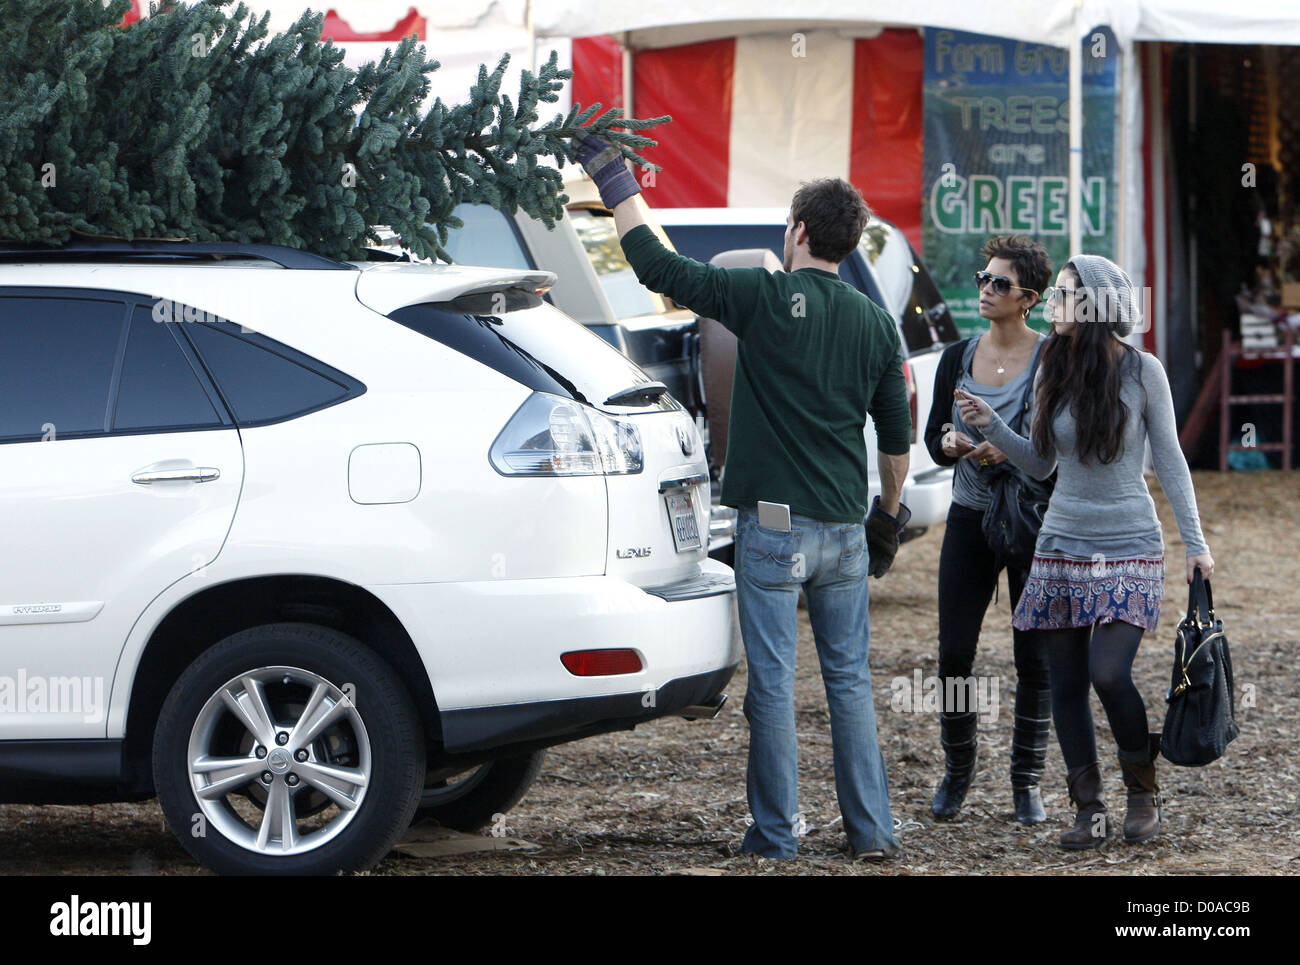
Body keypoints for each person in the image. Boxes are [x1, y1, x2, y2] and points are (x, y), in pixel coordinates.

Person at [571, 131, 913, 860]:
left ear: (796, 232)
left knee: (774, 687)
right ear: (848, 245)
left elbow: (657, 265)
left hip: (774, 528)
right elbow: (895, 445)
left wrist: (612, 175)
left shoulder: (761, 295)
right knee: (850, 683)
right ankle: (873, 832)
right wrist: (888, 516)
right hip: (847, 532)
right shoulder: (878, 324)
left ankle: (776, 834)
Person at [955, 254, 1215, 849]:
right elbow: (1041, 463)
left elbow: (1171, 462)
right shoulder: (1054, 366)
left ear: (1097, 305)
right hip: (1062, 543)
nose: (1052, 305)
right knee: (1065, 680)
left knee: (1109, 673)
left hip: (1129, 542)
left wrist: (1196, 544)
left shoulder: (1143, 371)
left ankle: (1142, 788)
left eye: (1066, 296)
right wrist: (992, 425)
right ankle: (1089, 807)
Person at [922, 236, 1054, 825]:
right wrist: (950, 446)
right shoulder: (958, 355)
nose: (985, 289)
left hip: (1033, 521)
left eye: (999, 283)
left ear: (1028, 298)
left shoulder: (1055, 358)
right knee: (954, 653)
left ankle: (1026, 782)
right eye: (983, 278)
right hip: (971, 516)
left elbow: (1058, 447)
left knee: (1036, 657)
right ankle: (957, 771)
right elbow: (932, 436)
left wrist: (1008, 449)